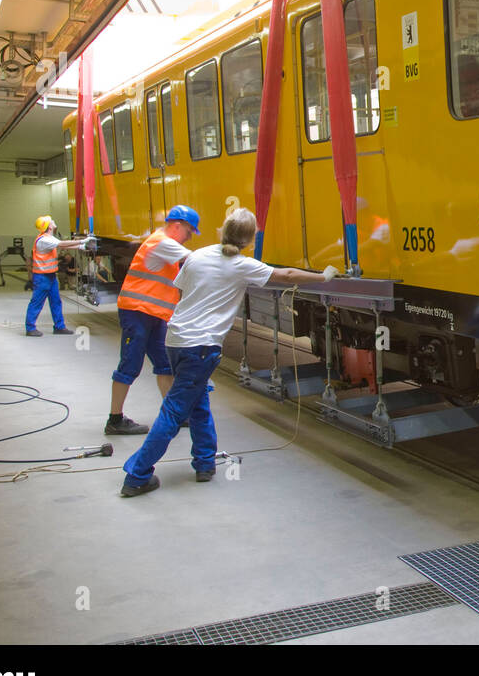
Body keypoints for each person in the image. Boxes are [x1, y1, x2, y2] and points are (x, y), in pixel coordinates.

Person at [120, 208, 328, 496]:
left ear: (222, 230)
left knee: (198, 398)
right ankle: (137, 474)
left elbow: (181, 291)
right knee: (174, 411)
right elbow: (287, 274)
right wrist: (324, 277)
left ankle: (205, 462)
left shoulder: (196, 256)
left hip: (176, 340)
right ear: (250, 239)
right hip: (201, 347)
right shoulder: (243, 265)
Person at [105, 206, 200, 436]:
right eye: (189, 231)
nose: (189, 237)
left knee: (165, 364)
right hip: (137, 312)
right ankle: (114, 420)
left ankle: (173, 415)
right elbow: (194, 259)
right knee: (129, 364)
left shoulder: (165, 244)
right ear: (177, 225)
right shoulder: (162, 242)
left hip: (154, 315)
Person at [26, 215, 92, 337]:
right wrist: (82, 241)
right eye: (51, 221)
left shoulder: (49, 238)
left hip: (50, 277)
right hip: (42, 278)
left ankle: (59, 327)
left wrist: (81, 246)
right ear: (49, 226)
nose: (53, 221)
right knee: (36, 303)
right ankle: (30, 328)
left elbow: (61, 245)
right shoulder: (44, 240)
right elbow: (62, 244)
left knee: (56, 302)